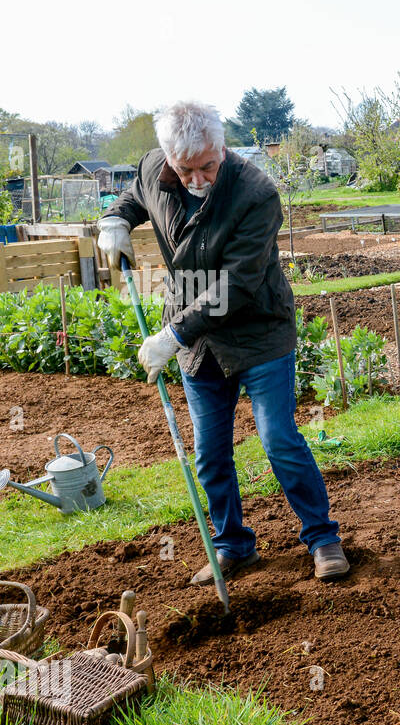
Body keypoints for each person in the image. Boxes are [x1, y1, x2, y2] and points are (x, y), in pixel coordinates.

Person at [97, 100, 349, 585]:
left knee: (278, 439)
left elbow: (235, 284)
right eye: (185, 169)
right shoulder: (154, 168)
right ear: (168, 157)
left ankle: (322, 537)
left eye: (208, 166)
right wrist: (115, 221)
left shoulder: (256, 192)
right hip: (197, 344)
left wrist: (172, 334)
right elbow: (133, 196)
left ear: (222, 147)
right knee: (210, 453)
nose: (197, 180)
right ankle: (233, 545)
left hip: (258, 331)